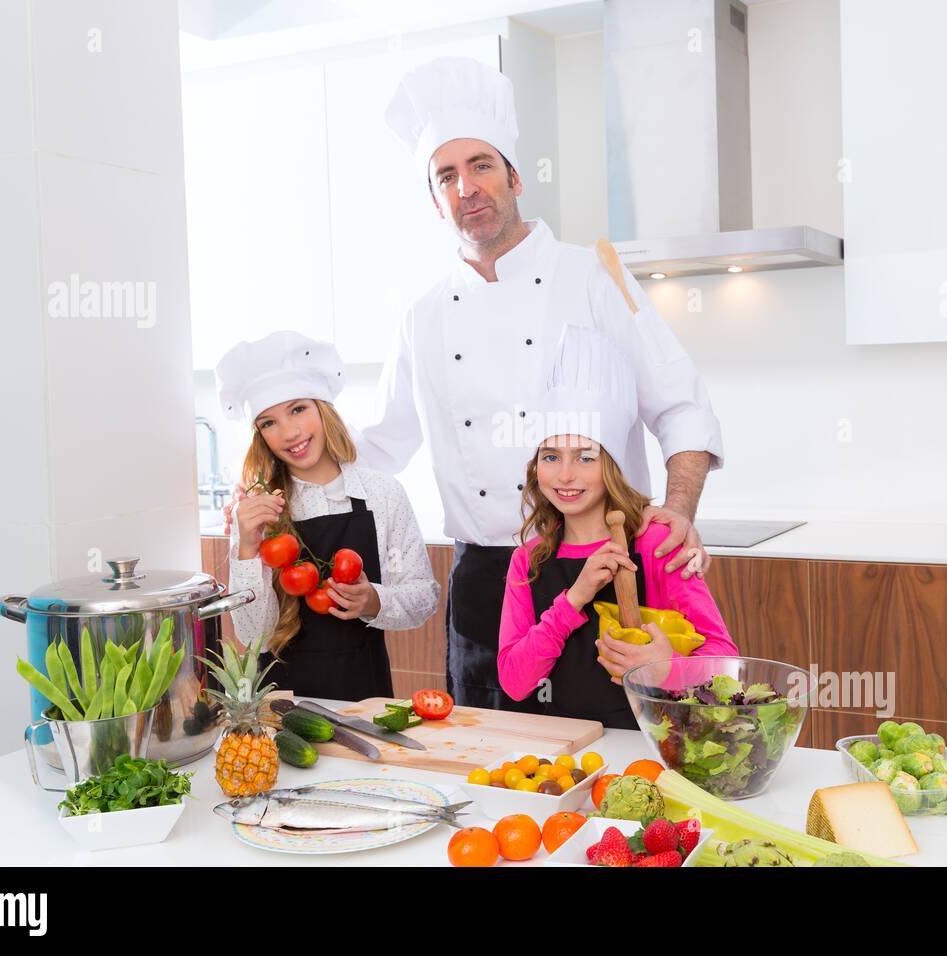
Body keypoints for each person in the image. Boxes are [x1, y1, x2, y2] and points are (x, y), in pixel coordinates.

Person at [350, 56, 726, 711]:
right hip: (486, 575)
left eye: (481, 166)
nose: (466, 188)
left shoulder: (592, 276)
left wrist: (678, 513)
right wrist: (273, 478)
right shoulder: (423, 316)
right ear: (434, 200)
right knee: (494, 753)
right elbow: (378, 447)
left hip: (606, 561)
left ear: (516, 176)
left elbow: (681, 404)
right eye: (446, 176)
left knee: (622, 738)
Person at [497, 327, 739, 728]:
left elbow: (725, 662)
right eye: (551, 456)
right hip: (566, 746)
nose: (565, 475)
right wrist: (574, 599)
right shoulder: (529, 560)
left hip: (652, 740)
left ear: (612, 465)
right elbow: (515, 682)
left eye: (585, 457)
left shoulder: (656, 544)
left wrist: (668, 670)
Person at [217, 331, 439, 699]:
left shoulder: (382, 493)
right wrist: (247, 548)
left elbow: (423, 597)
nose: (289, 433)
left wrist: (373, 601)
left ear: (324, 409)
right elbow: (255, 636)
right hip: (281, 704)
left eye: (298, 409)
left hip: (365, 697)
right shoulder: (257, 510)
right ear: (260, 436)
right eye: (268, 422)